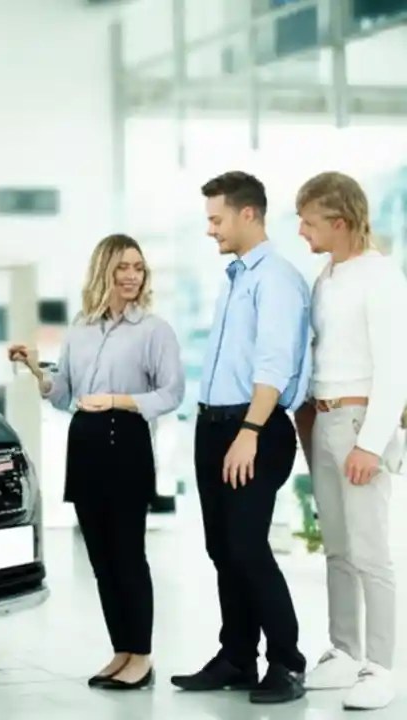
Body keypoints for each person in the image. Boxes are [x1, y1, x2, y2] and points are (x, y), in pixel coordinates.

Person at [8, 233, 184, 691]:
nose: (131, 276)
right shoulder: (81, 327)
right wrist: (34, 369)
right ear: (103, 270)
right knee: (101, 560)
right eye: (122, 267)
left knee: (128, 556)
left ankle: (141, 657)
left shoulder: (154, 330)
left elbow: (172, 393)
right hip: (85, 442)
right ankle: (121, 650)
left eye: (138, 268)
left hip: (125, 441)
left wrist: (118, 400)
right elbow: (63, 392)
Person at [171, 171, 311, 704]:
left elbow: (273, 364)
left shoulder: (274, 278)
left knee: (248, 547)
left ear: (248, 214)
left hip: (252, 427)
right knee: (222, 549)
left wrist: (250, 430)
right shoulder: (236, 278)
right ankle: (237, 656)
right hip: (216, 425)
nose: (210, 230)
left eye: (216, 218)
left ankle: (287, 662)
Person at [291, 171, 407, 711]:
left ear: (339, 222)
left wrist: (372, 443)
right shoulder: (326, 277)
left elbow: (396, 370)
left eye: (309, 221)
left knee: (370, 552)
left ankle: (380, 667)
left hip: (362, 423)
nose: (301, 231)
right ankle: (343, 651)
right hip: (325, 418)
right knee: (335, 547)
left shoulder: (382, 276)